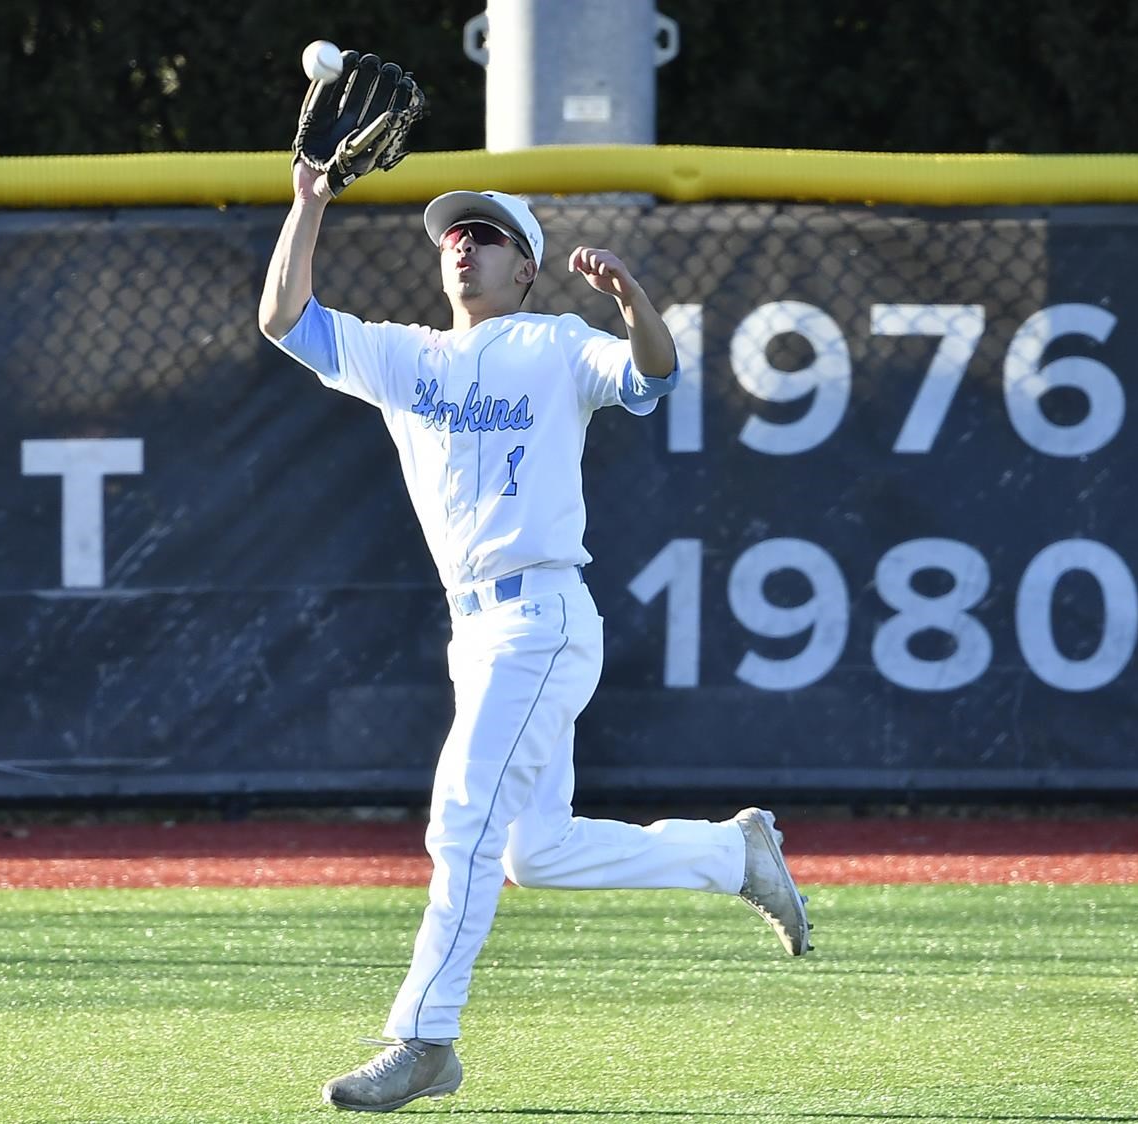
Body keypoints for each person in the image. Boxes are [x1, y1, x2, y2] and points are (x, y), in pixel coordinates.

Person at [258, 159, 811, 1114]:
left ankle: (424, 1039)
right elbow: (285, 321)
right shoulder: (407, 358)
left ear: (527, 269)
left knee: (460, 821)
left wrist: (634, 302)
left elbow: (654, 376)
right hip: (474, 636)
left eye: (489, 234)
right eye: (453, 235)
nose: (464, 243)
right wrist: (307, 206)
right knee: (531, 851)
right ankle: (734, 855)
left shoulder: (556, 345)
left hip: (542, 620)